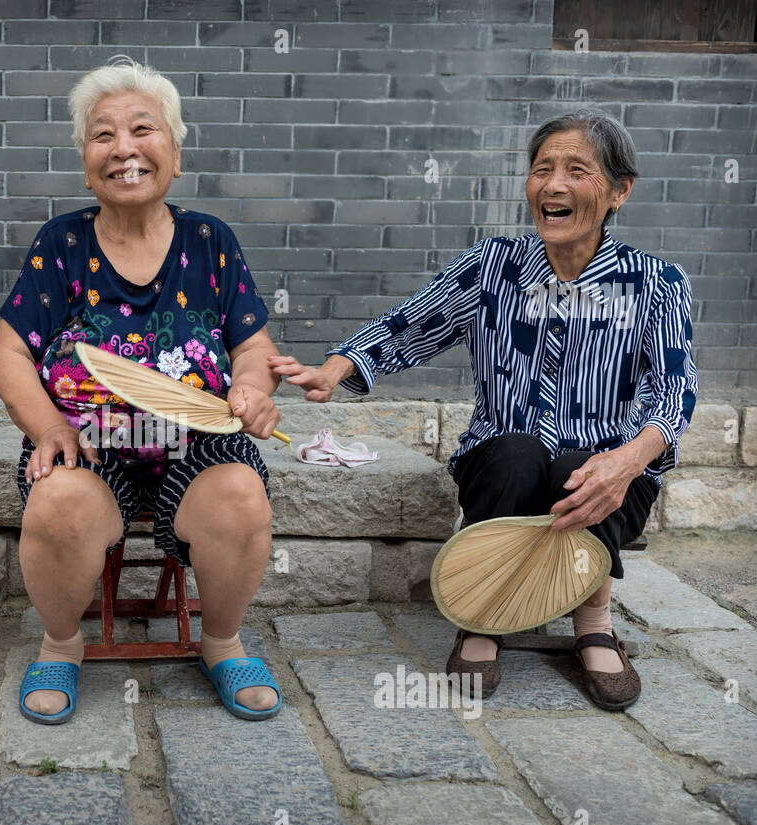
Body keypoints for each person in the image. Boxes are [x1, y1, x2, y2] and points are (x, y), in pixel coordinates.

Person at [272, 110, 697, 710]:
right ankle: (483, 611)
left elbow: (677, 388)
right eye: (541, 169)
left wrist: (629, 460)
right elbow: (414, 324)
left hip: (608, 480)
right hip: (503, 468)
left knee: (585, 460)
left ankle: (593, 619)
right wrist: (337, 368)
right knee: (517, 450)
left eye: (576, 171)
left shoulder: (655, 281)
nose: (552, 185)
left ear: (618, 191)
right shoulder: (495, 265)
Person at [0, 57, 284, 724]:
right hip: (89, 445)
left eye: (143, 129)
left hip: (197, 447)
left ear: (175, 152)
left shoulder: (211, 241)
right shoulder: (60, 245)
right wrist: (48, 428)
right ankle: (61, 641)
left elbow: (254, 347)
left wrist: (251, 389)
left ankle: (223, 640)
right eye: (102, 135)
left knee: (241, 493)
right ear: (86, 158)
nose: (124, 148)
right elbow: (9, 353)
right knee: (58, 499)